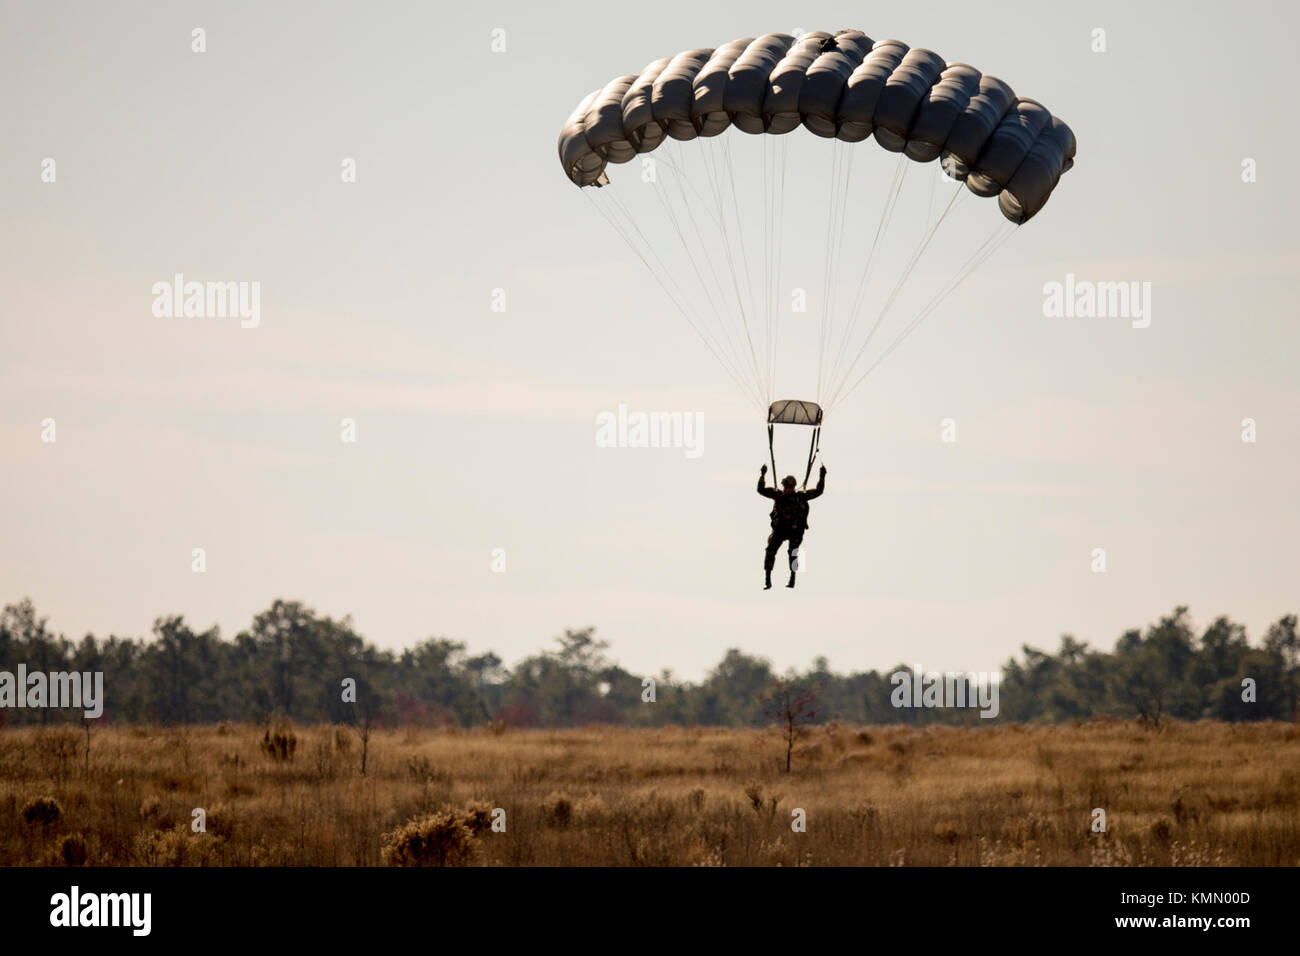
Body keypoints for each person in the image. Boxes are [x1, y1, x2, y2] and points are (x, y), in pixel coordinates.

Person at [757, 463, 826, 590]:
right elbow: (761, 490)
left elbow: (818, 491)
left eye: (788, 487)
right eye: (785, 486)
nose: (786, 489)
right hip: (780, 530)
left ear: (793, 487)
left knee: (793, 552)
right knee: (770, 549)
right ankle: (767, 579)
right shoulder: (778, 495)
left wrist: (822, 476)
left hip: (795, 530)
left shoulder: (800, 497)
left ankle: (792, 577)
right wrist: (762, 475)